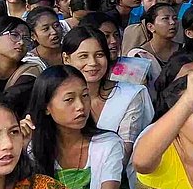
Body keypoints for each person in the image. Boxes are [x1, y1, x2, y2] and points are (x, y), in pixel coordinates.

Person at [61, 26, 154, 164]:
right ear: (66, 59)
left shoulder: (129, 96)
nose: (93, 63)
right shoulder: (55, 95)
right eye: (83, 56)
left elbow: (124, 153)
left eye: (99, 55)